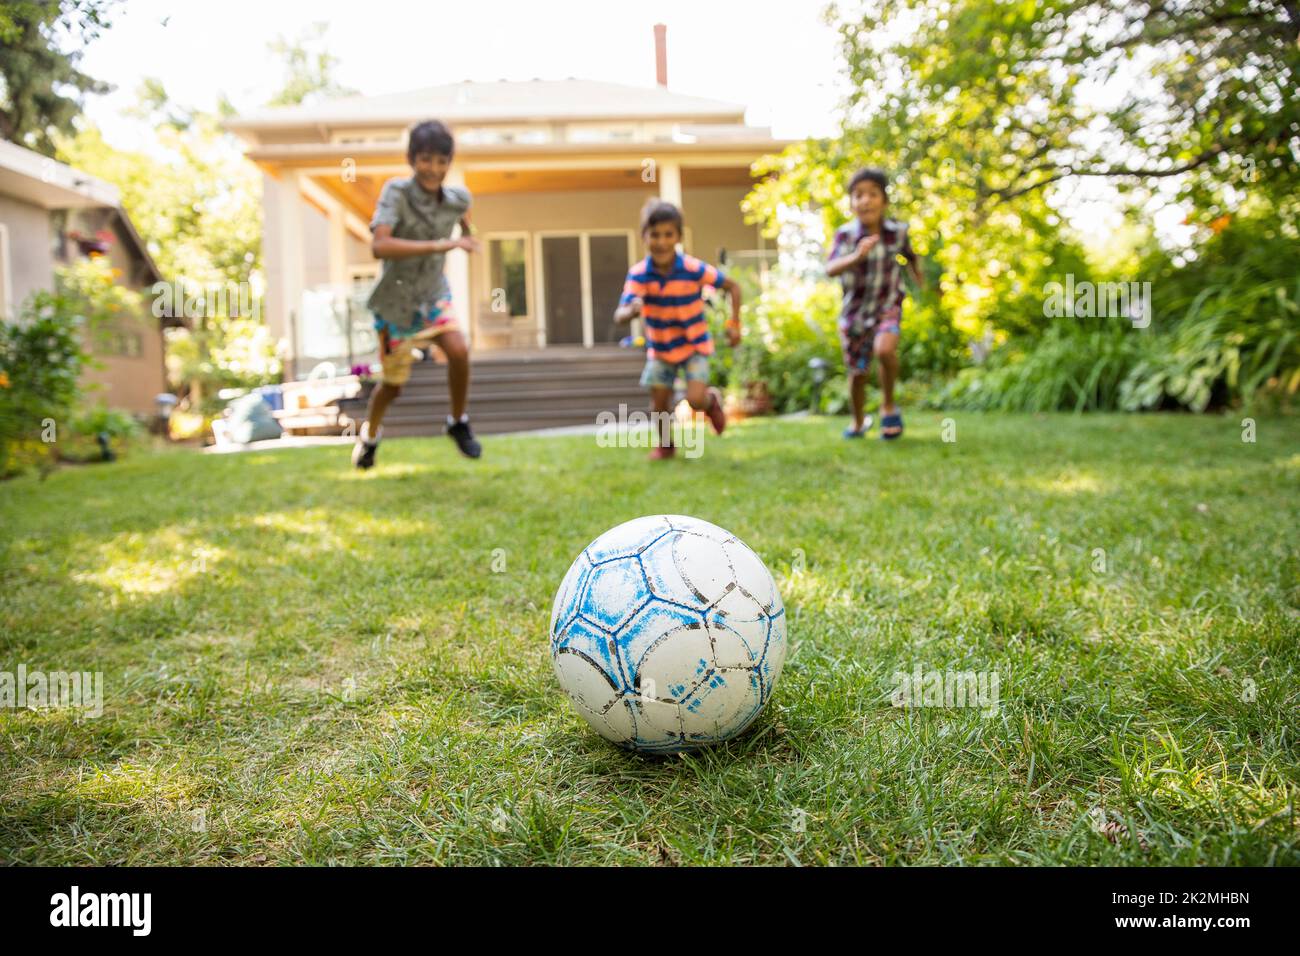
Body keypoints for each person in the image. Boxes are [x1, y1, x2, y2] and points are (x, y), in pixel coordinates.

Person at [352, 119, 481, 469]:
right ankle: (370, 436)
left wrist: (469, 236)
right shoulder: (397, 192)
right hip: (396, 302)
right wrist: (444, 243)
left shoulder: (458, 199)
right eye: (425, 159)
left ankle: (457, 422)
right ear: (411, 159)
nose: (433, 169)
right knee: (393, 386)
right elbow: (380, 245)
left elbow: (466, 224)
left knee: (458, 349)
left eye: (441, 161)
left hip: (433, 293)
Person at [614, 200, 741, 460]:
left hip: (694, 345)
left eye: (668, 234)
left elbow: (733, 287)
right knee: (660, 401)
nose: (661, 242)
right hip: (661, 349)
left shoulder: (693, 269)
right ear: (644, 238)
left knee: (694, 400)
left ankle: (710, 402)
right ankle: (666, 445)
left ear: (679, 237)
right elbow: (620, 314)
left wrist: (734, 324)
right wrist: (632, 310)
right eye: (655, 235)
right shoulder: (639, 275)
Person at [825, 167, 925, 440]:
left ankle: (888, 405)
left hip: (887, 305)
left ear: (884, 200)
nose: (865, 200)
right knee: (858, 373)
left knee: (884, 350)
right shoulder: (844, 235)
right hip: (854, 313)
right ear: (851, 203)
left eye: (872, 194)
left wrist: (918, 277)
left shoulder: (897, 232)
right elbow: (830, 268)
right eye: (858, 195)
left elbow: (911, 256)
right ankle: (858, 422)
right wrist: (856, 256)